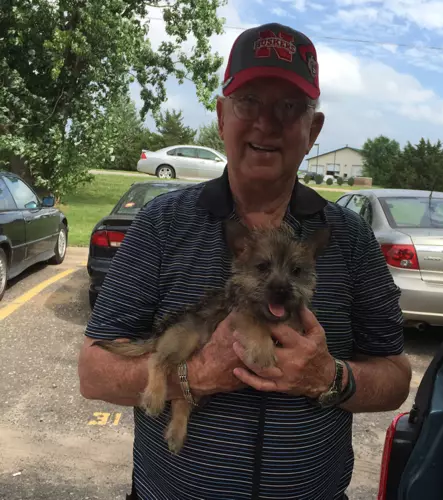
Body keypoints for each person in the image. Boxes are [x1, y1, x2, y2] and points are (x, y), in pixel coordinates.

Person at [78, 21, 412, 500]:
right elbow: (94, 371)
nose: (266, 123)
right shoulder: (161, 224)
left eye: (288, 107)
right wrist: (192, 377)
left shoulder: (351, 238)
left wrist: (330, 377)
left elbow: (396, 377)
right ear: (221, 116)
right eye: (249, 102)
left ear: (313, 129)